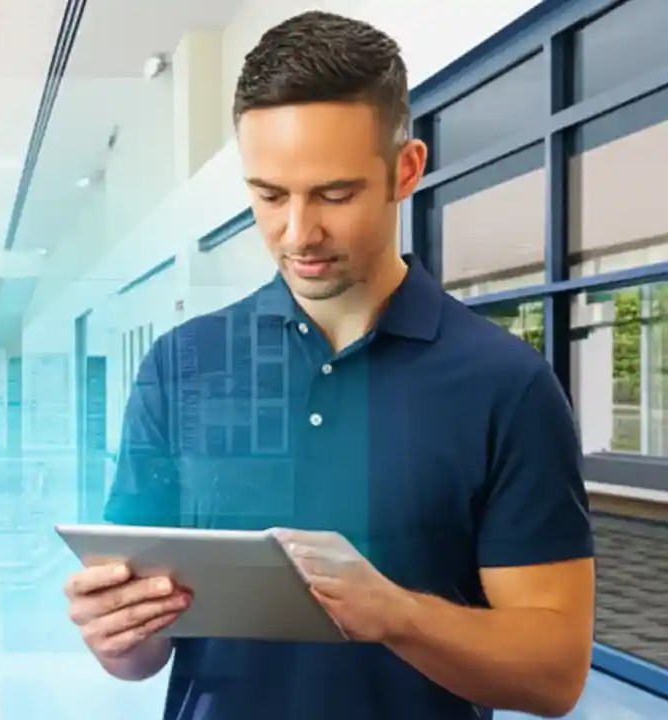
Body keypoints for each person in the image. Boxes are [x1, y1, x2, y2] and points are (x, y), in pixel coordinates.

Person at [63, 10, 595, 720]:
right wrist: (115, 634)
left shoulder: (507, 384)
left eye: (335, 195)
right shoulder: (181, 366)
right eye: (270, 196)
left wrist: (396, 614)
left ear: (405, 171)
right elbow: (141, 654)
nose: (298, 232)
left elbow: (553, 676)